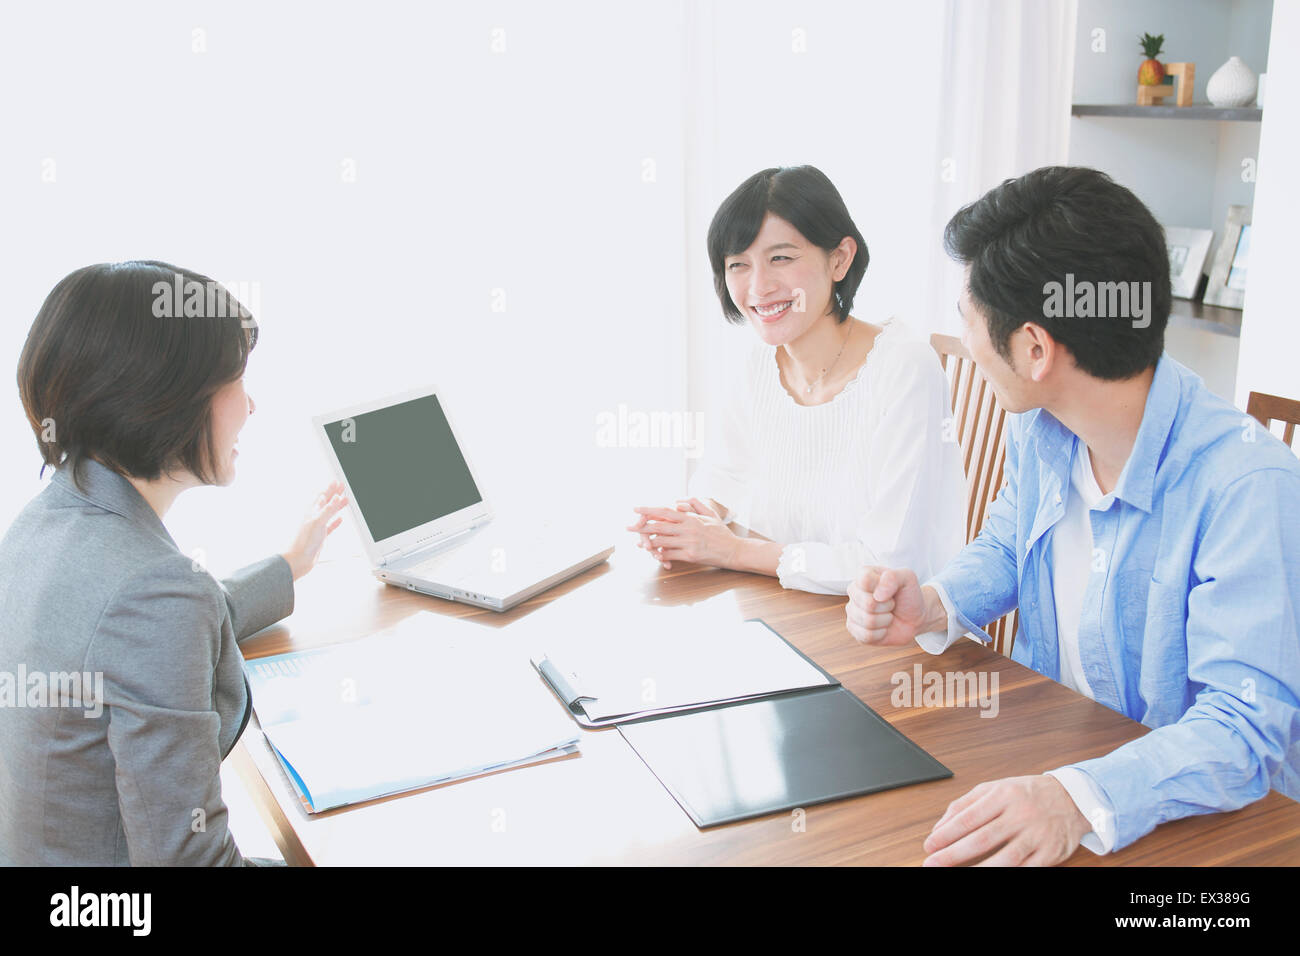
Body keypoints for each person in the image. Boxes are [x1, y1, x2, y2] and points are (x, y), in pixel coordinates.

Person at [844, 166, 1300, 865]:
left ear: (1035, 349)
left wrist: (1073, 799)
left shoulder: (1248, 486)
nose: (964, 342)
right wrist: (934, 601)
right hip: (1052, 758)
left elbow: (1241, 732)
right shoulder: (1044, 425)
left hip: (1201, 828)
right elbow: (1007, 544)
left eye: (968, 320)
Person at [0, 261, 348, 866]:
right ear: (167, 400)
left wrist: (289, 565)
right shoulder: (155, 594)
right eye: (237, 381)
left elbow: (140, 631)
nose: (251, 405)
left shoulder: (46, 520)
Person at [629, 165, 966, 595]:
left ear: (840, 258)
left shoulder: (905, 368)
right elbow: (725, 476)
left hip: (886, 635)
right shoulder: (760, 363)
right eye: (738, 264)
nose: (759, 286)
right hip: (784, 609)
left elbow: (885, 567)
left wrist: (731, 551)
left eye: (781, 258)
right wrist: (689, 524)